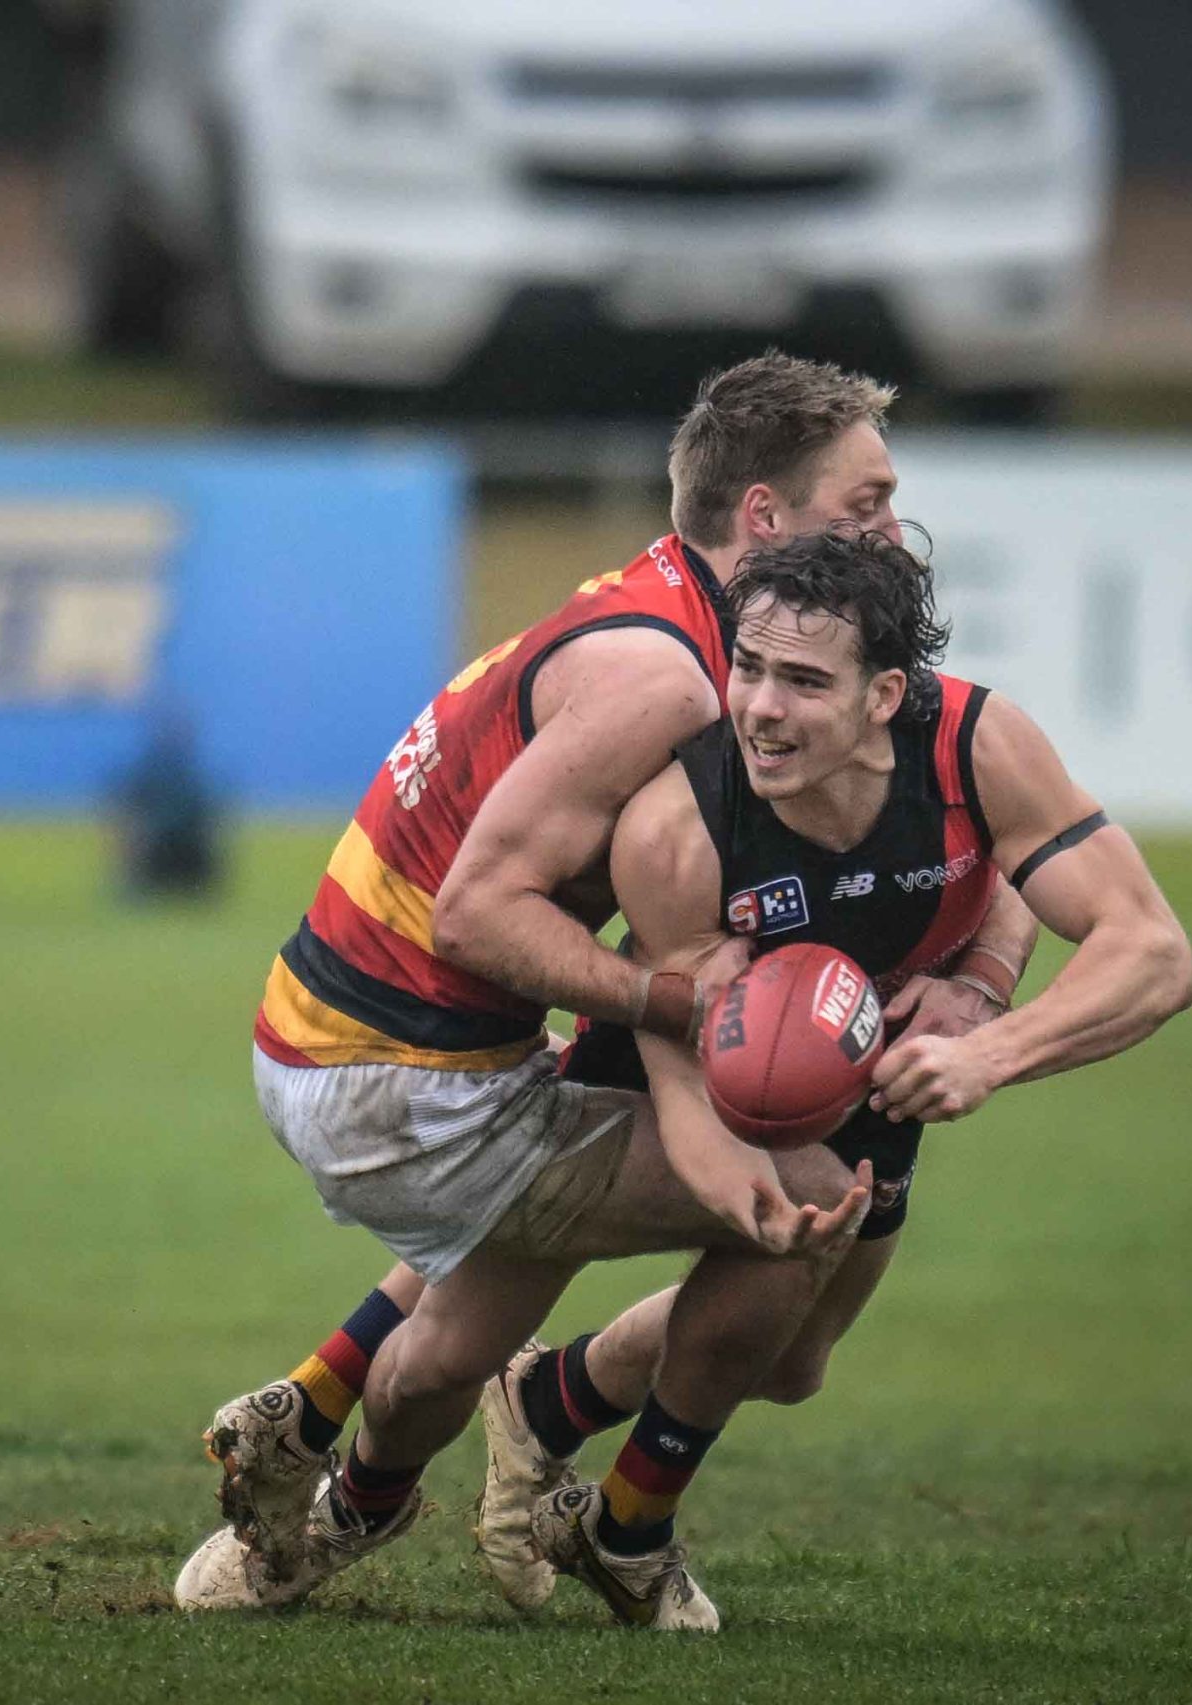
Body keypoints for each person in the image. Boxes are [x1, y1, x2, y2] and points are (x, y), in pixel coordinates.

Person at [172, 354, 1041, 1616]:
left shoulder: (701, 630)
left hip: (350, 1036)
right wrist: (682, 1007)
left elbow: (995, 805)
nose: (889, 531)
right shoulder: (673, 678)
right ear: (763, 517)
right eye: (863, 503)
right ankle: (615, 1528)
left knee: (470, 1340)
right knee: (797, 1206)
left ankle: (315, 1441)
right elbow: (486, 915)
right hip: (407, 1080)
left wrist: (977, 973)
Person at [486, 525, 1192, 1625]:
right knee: (759, 1255)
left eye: (804, 680)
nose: (761, 706)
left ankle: (546, 1394)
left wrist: (986, 1022)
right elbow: (669, 1009)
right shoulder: (681, 821)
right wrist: (721, 1155)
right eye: (750, 667)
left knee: (791, 1360)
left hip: (878, 1048)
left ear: (884, 696)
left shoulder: (975, 743)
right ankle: (628, 1527)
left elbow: (1151, 950)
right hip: (707, 1040)